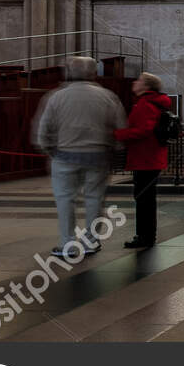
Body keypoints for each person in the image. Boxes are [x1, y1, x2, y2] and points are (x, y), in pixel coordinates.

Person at [31, 56, 125, 257]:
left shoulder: (56, 96)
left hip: (64, 156)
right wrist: (114, 149)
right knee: (95, 199)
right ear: (94, 73)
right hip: (98, 156)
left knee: (65, 200)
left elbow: (43, 130)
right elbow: (120, 129)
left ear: (69, 72)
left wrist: (49, 150)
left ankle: (67, 244)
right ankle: (91, 242)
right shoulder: (108, 96)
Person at [114, 72, 173, 250]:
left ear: (146, 86)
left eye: (139, 80)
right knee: (146, 198)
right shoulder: (153, 102)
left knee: (143, 199)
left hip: (145, 158)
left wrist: (118, 134)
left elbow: (143, 130)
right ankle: (146, 235)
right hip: (150, 157)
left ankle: (145, 237)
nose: (135, 82)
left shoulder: (146, 103)